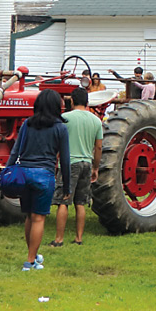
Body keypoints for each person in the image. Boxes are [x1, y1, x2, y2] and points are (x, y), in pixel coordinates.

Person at [7, 89, 71, 271]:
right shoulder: (60, 128)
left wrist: (8, 170)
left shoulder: (27, 124)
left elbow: (15, 150)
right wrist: (67, 186)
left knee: (29, 216)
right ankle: (29, 261)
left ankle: (33, 256)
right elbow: (65, 159)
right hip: (44, 175)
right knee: (38, 219)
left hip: (24, 173)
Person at [52, 87, 103, 247]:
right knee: (80, 203)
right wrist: (95, 167)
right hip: (87, 164)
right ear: (88, 102)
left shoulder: (64, 118)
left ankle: (59, 239)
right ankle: (78, 238)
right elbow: (99, 147)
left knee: (63, 201)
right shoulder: (96, 120)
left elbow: (56, 142)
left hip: (69, 164)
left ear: (71, 101)